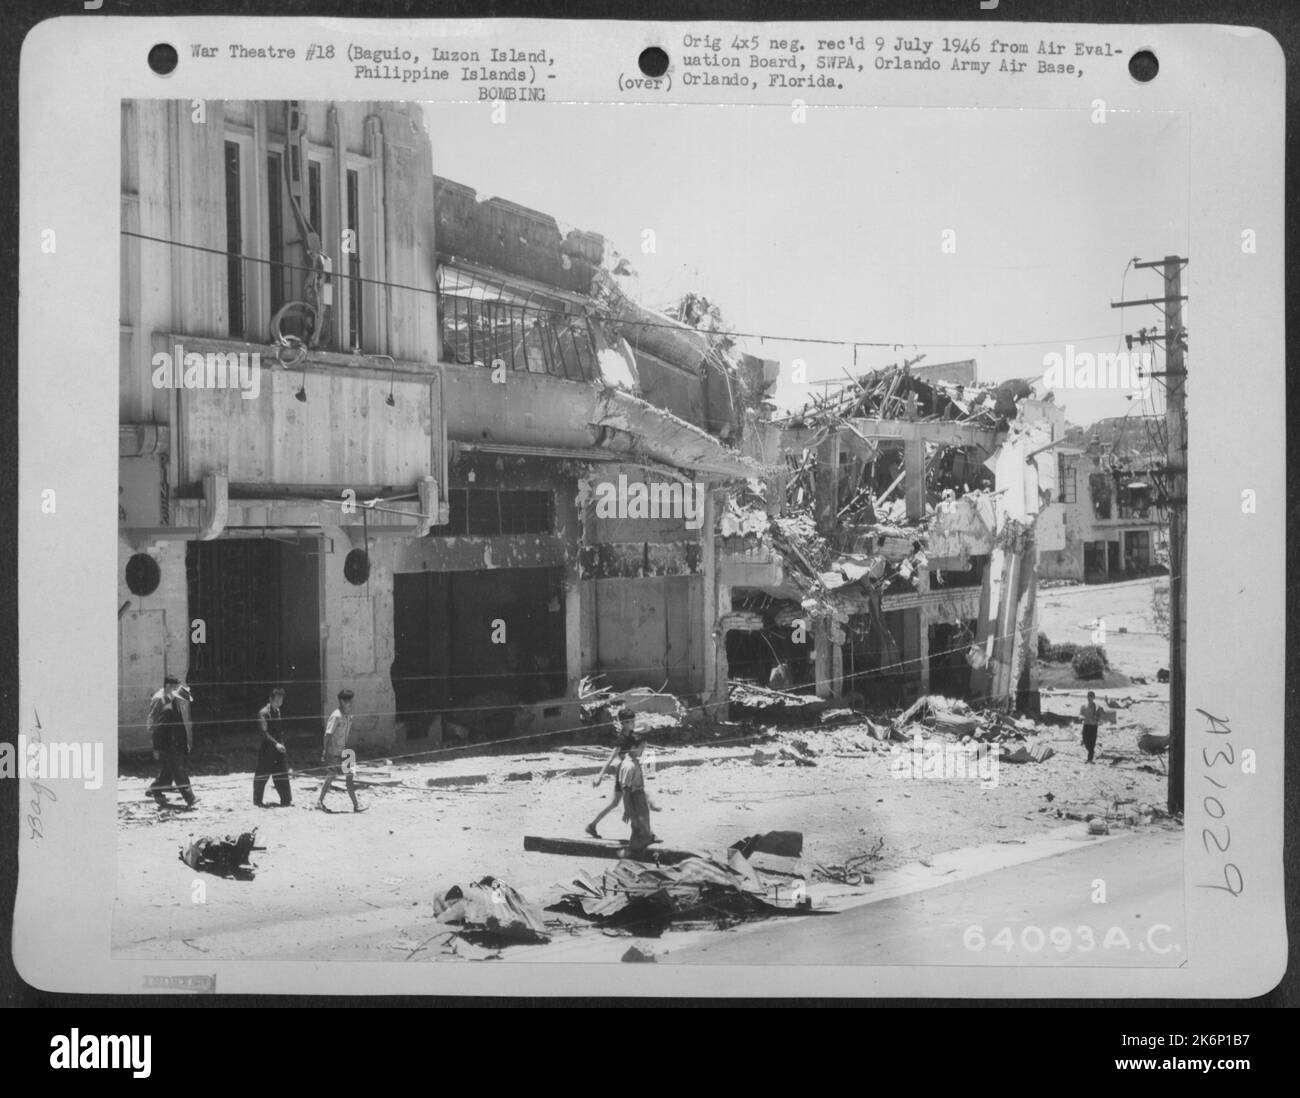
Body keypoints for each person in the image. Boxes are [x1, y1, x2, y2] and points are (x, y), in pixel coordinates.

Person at [585, 711, 635, 838]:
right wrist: (599, 776)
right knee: (633, 802)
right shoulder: (622, 739)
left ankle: (592, 825)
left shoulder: (631, 735)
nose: (633, 723)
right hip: (623, 773)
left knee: (615, 803)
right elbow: (611, 758)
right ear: (623, 723)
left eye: (633, 720)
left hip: (628, 771)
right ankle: (645, 833)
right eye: (629, 721)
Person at [147, 676, 196, 807]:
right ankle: (189, 797)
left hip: (174, 743)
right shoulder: (164, 704)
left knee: (169, 771)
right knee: (178, 771)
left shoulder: (174, 703)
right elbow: (156, 725)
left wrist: (184, 744)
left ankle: (156, 789)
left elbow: (179, 727)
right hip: (167, 743)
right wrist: (156, 747)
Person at [317, 688, 363, 813]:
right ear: (341, 701)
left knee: (350, 778)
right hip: (334, 752)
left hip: (345, 751)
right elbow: (327, 735)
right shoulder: (336, 716)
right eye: (347, 701)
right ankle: (319, 801)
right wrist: (325, 751)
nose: (350, 703)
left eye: (351, 701)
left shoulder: (348, 716)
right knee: (331, 776)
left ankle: (356, 805)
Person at [618, 735, 660, 856]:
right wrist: (627, 809)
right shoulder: (628, 766)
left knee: (643, 827)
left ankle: (637, 851)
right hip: (634, 799)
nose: (643, 751)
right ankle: (632, 853)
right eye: (641, 748)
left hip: (640, 798)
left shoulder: (635, 761)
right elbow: (625, 790)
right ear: (632, 747)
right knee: (639, 828)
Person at [253, 687, 292, 807]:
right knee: (262, 776)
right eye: (277, 699)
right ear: (271, 699)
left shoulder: (278, 711)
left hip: (278, 750)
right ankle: (257, 801)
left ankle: (286, 801)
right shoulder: (263, 713)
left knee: (282, 775)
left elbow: (279, 731)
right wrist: (276, 744)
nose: (279, 702)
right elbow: (264, 733)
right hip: (267, 750)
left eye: (281, 699)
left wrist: (282, 744)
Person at [1079, 691, 1106, 763]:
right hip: (1086, 725)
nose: (1089, 698)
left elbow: (1103, 715)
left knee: (1092, 742)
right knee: (1085, 741)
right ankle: (1091, 752)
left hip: (1093, 726)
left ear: (1093, 697)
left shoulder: (1097, 707)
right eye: (1088, 696)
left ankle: (1089, 759)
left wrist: (1098, 718)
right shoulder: (1084, 706)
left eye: (1091, 696)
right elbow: (1080, 714)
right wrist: (1081, 717)